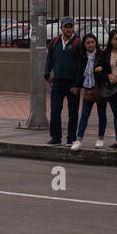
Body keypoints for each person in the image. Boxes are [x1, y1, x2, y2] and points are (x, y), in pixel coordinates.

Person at [44, 16, 83, 146]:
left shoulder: (78, 43)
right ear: (61, 28)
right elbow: (49, 58)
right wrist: (47, 74)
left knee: (73, 112)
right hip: (58, 82)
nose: (68, 29)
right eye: (66, 26)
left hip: (72, 83)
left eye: (70, 26)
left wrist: (78, 84)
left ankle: (71, 138)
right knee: (55, 111)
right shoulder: (55, 42)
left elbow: (80, 66)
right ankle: (55, 137)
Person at [70, 32, 108, 150]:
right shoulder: (83, 57)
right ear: (84, 44)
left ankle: (100, 138)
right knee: (84, 115)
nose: (90, 45)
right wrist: (77, 86)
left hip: (100, 88)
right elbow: (80, 73)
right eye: (87, 43)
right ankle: (79, 139)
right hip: (88, 88)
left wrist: (99, 72)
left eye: (92, 42)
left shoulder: (102, 55)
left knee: (102, 114)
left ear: (95, 43)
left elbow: (107, 71)